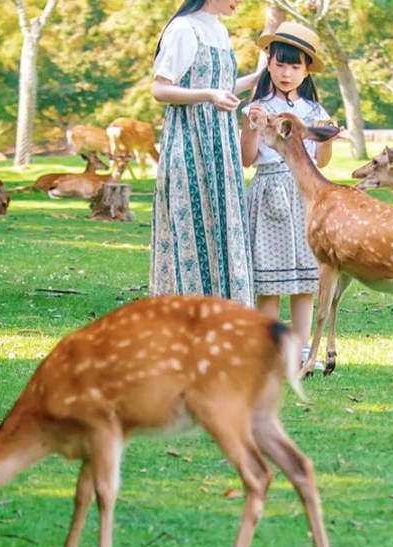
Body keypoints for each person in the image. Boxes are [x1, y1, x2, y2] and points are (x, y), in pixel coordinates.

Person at [149, 0, 268, 305]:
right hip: (190, 144)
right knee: (193, 227)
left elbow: (221, 87)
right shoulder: (184, 28)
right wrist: (208, 95)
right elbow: (160, 89)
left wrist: (256, 79)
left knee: (221, 228)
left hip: (220, 146)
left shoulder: (218, 29)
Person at [239, 20, 334, 371]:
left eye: (295, 67)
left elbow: (322, 160)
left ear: (307, 71)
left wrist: (328, 138)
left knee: (305, 279)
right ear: (269, 64)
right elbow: (247, 159)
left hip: (304, 195)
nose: (286, 73)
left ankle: (303, 349)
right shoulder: (257, 107)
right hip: (268, 192)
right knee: (269, 281)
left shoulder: (315, 112)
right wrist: (253, 127)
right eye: (280, 64)